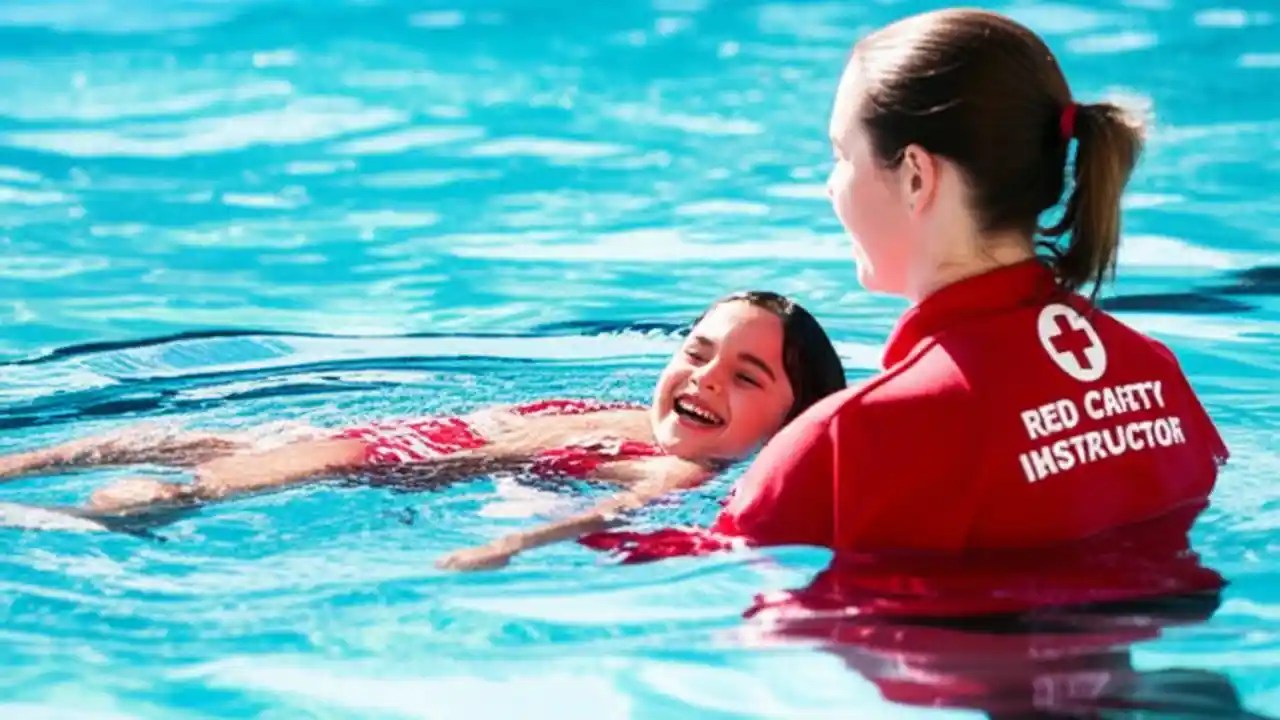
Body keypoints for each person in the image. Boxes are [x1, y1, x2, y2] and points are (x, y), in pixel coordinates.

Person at [585, 9, 1228, 563]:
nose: (830, 186)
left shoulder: (846, 444)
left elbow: (721, 594)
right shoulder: (1156, 373)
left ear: (917, 176)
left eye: (842, 156)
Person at [0, 291, 846, 567]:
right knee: (163, 445)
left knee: (189, 483)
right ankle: (25, 473)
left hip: (379, 463)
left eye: (745, 376)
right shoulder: (640, 424)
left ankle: (74, 517)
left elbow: (600, 518)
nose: (703, 377)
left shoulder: (683, 474)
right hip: (393, 435)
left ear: (793, 421)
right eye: (698, 352)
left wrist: (511, 545)